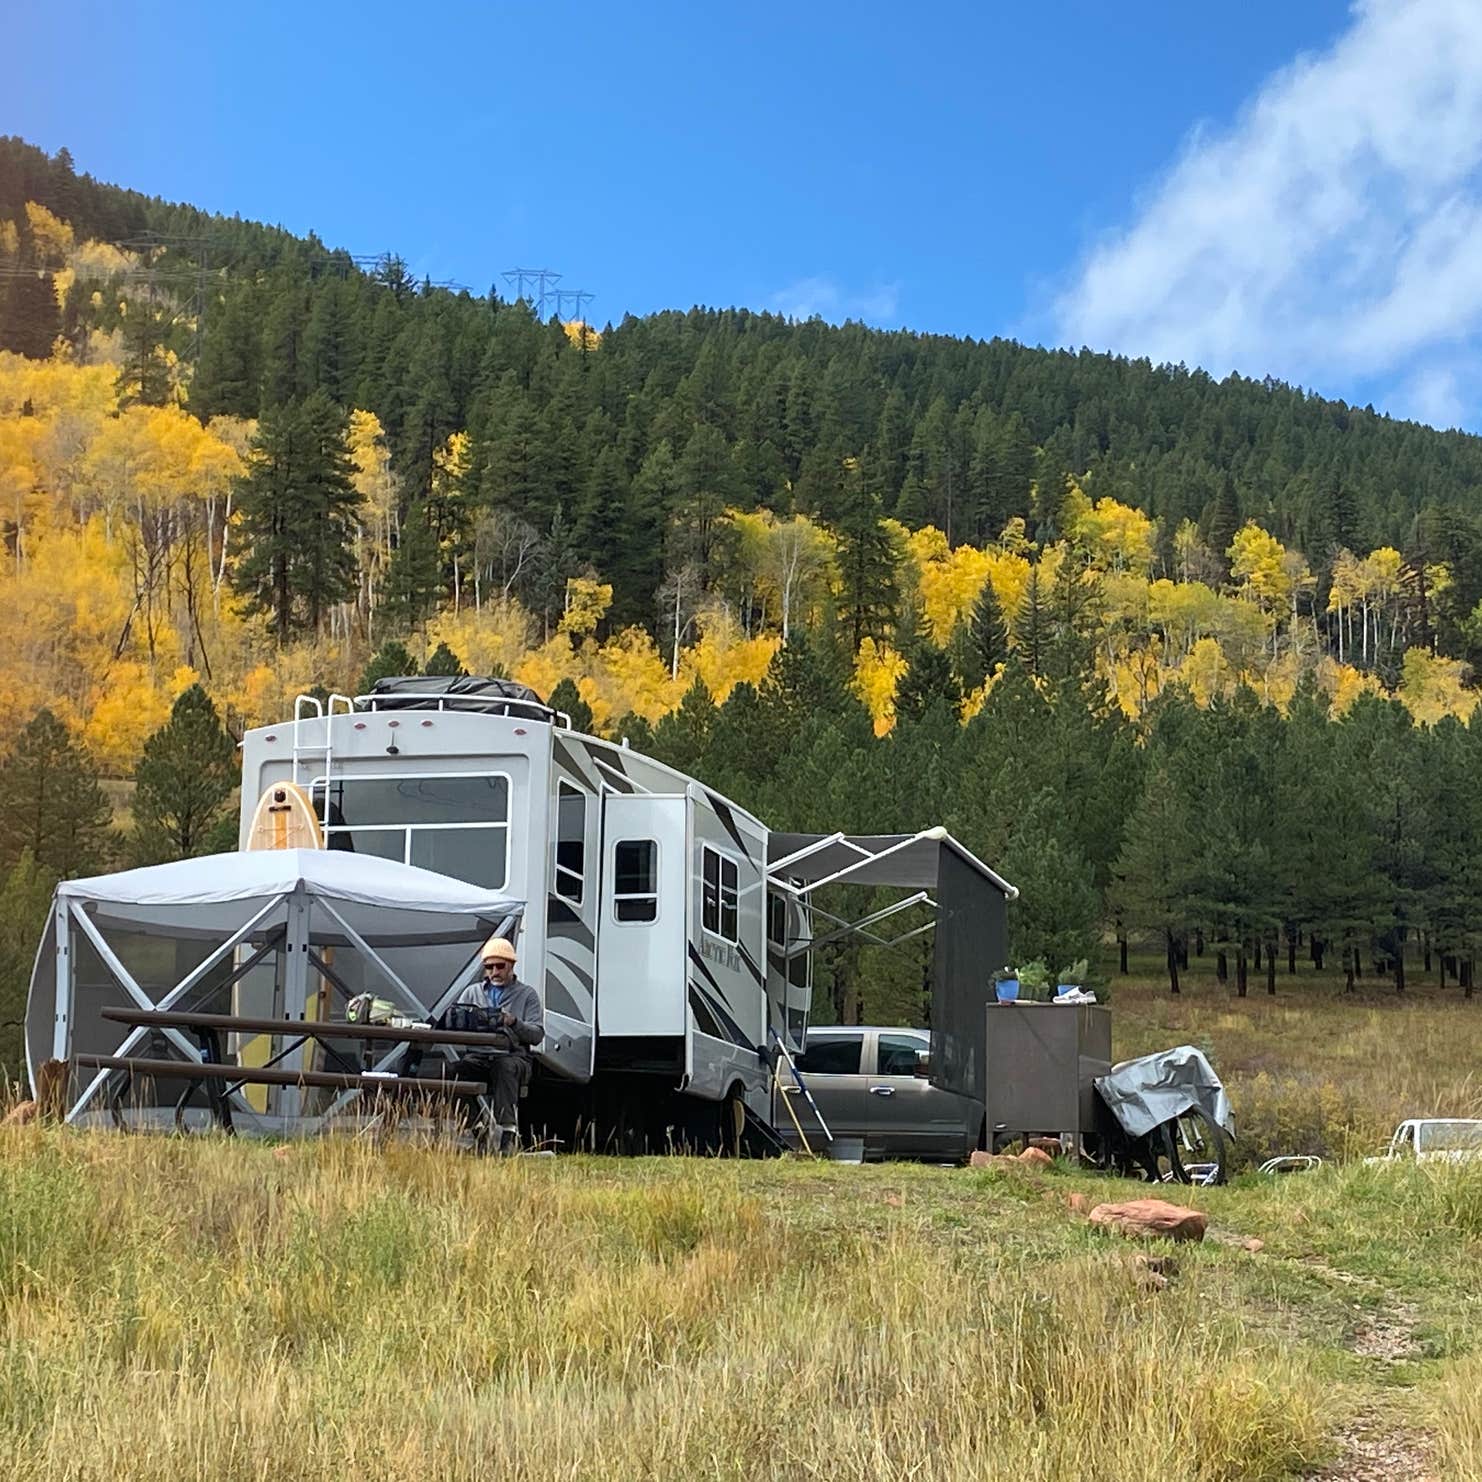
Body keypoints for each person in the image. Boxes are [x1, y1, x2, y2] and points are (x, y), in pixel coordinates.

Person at [447, 936, 542, 1152]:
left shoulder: (527, 994)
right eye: (489, 967)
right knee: (450, 1072)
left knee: (504, 1067)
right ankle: (477, 1128)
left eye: (500, 966)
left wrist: (514, 1022)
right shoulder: (472, 992)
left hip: (514, 1058)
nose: (495, 972)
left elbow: (537, 1034)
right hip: (478, 1056)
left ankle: (507, 1133)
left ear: (511, 966)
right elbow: (456, 1023)